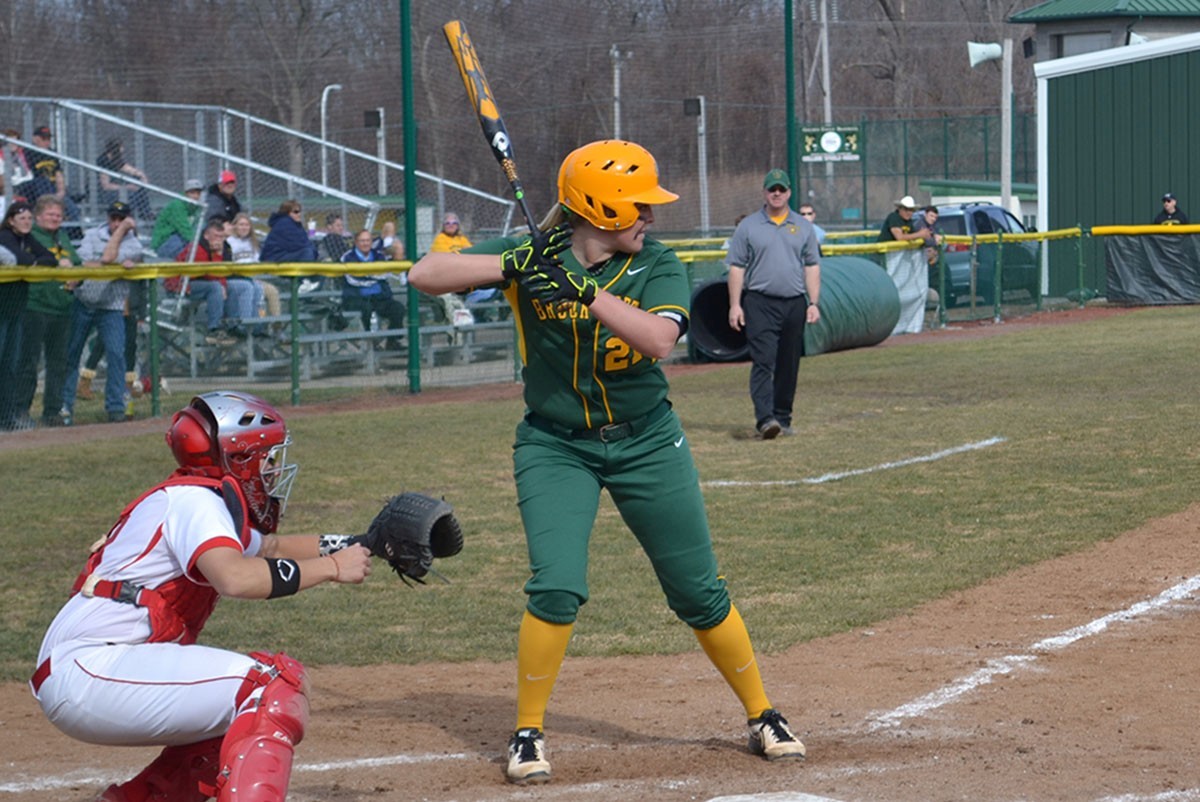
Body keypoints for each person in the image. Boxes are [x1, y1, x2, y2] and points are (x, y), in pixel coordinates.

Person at [410, 139, 807, 785]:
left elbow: (657, 340)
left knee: (698, 591)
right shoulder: (534, 261)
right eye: (638, 208)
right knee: (557, 585)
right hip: (555, 445)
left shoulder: (659, 265)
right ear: (598, 208)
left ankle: (764, 712)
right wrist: (516, 263)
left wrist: (580, 288)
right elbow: (422, 275)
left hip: (648, 441)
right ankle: (528, 732)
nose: (650, 219)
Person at [30, 390, 373, 802]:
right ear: (238, 459)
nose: (273, 469)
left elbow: (271, 548)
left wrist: (367, 543)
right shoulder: (196, 503)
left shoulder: (193, 499)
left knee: (240, 713)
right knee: (268, 688)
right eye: (266, 457)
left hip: (90, 666)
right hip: (91, 667)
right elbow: (235, 578)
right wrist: (333, 569)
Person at [725, 168, 822, 440]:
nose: (776, 194)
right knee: (763, 360)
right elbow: (736, 267)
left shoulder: (803, 226)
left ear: (789, 192)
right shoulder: (749, 226)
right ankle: (765, 419)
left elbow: (812, 265)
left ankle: (783, 416)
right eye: (772, 189)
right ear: (764, 193)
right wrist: (735, 304)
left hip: (794, 301)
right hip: (759, 301)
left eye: (781, 189)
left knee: (788, 362)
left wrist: (813, 302)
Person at [61, 201, 144, 425]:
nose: (115, 223)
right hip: (83, 301)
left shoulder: (134, 244)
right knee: (71, 354)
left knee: (117, 354)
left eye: (121, 219)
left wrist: (119, 238)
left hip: (112, 306)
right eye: (113, 218)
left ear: (127, 221)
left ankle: (116, 407)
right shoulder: (91, 234)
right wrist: (106, 264)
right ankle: (64, 407)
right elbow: (86, 262)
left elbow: (105, 259)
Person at [17, 196, 80, 426]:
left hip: (62, 307)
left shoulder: (62, 237)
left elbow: (77, 262)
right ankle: (20, 410)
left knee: (58, 363)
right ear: (38, 215)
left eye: (59, 215)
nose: (55, 218)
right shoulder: (29, 236)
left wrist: (76, 277)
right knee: (28, 362)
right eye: (50, 214)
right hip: (34, 306)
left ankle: (53, 411)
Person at [0, 201, 57, 431]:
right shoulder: (5, 236)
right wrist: (33, 262)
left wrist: (34, 261)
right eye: (21, 218)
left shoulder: (28, 238)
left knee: (10, 365)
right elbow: (20, 260)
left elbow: (49, 258)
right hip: (2, 309)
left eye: (29, 219)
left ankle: (6, 417)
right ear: (11, 219)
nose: (26, 222)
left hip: (15, 310)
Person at [173, 216, 253, 346]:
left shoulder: (218, 249)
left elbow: (219, 273)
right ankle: (214, 328)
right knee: (215, 287)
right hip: (181, 285)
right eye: (216, 236)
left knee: (234, 286)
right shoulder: (198, 248)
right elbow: (205, 272)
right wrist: (220, 283)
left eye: (221, 237)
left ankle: (232, 325)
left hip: (201, 283)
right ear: (206, 235)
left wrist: (223, 284)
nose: (219, 240)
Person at [340, 228, 405, 346]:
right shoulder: (348, 257)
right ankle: (370, 344)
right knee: (366, 308)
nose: (365, 243)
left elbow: (385, 274)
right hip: (357, 297)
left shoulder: (378, 255)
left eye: (368, 240)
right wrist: (374, 276)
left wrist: (367, 275)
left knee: (398, 308)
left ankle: (393, 342)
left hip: (379, 296)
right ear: (356, 242)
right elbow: (353, 280)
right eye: (362, 241)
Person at [18, 125, 82, 232]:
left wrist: (61, 191)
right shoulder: (28, 153)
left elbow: (59, 175)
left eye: (48, 139)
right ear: (35, 139)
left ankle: (74, 235)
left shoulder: (51, 154)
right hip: (35, 190)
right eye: (43, 139)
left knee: (72, 208)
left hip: (52, 190)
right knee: (42, 182)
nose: (47, 142)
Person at [228, 212, 282, 321]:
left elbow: (258, 262)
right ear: (235, 226)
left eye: (247, 225)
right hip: (238, 279)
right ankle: (248, 324)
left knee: (273, 291)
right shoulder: (229, 242)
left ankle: (277, 324)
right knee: (251, 291)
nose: (244, 228)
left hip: (255, 278)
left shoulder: (253, 242)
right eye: (241, 225)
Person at [428, 212, 475, 326]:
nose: (451, 225)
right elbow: (447, 258)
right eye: (447, 223)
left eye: (454, 223)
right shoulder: (440, 238)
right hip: (444, 275)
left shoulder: (461, 238)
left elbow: (473, 253)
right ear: (443, 226)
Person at [96, 137, 152, 221]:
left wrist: (141, 175)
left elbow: (128, 168)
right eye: (121, 148)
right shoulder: (104, 161)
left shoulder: (115, 159)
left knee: (139, 188)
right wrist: (127, 187)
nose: (123, 150)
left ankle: (146, 214)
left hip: (117, 189)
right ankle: (130, 215)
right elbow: (106, 186)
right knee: (132, 193)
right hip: (104, 193)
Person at [151, 178, 206, 260]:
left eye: (198, 193)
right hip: (164, 242)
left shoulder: (195, 207)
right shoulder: (177, 205)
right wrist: (200, 245)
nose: (196, 196)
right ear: (186, 193)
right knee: (183, 237)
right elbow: (184, 229)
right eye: (192, 193)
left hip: (179, 241)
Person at [259, 199, 319, 264]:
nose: (299, 214)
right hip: (273, 258)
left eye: (300, 211)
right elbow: (299, 244)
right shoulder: (285, 223)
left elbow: (304, 242)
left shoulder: (294, 224)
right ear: (287, 213)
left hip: (281, 255)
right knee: (307, 252)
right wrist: (313, 249)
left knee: (309, 251)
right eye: (296, 212)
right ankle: (305, 274)